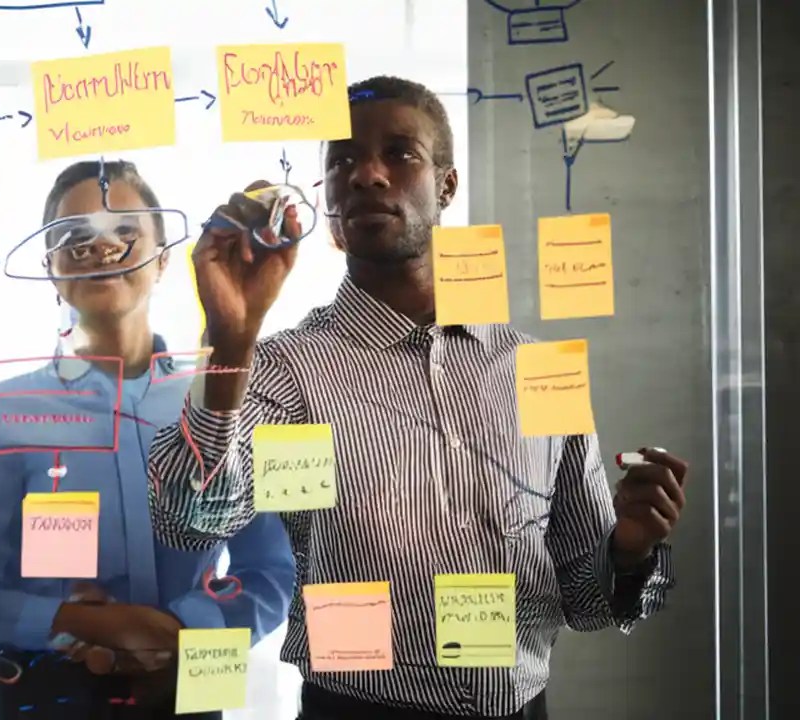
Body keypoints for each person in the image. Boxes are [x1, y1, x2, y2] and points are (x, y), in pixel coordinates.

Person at [146, 76, 691, 720]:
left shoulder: (538, 369)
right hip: (356, 708)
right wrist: (231, 338)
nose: (366, 175)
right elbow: (188, 519)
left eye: (400, 153)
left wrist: (627, 552)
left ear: (447, 186)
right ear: (328, 204)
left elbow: (586, 602)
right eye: (342, 161)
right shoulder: (284, 369)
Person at [0, 160, 295, 719]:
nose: (102, 247)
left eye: (126, 231)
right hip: (41, 698)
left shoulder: (224, 401)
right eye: (75, 236)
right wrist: (76, 621)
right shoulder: (3, 412)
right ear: (51, 268)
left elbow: (271, 571)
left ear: (163, 259)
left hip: (188, 689)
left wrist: (183, 629)